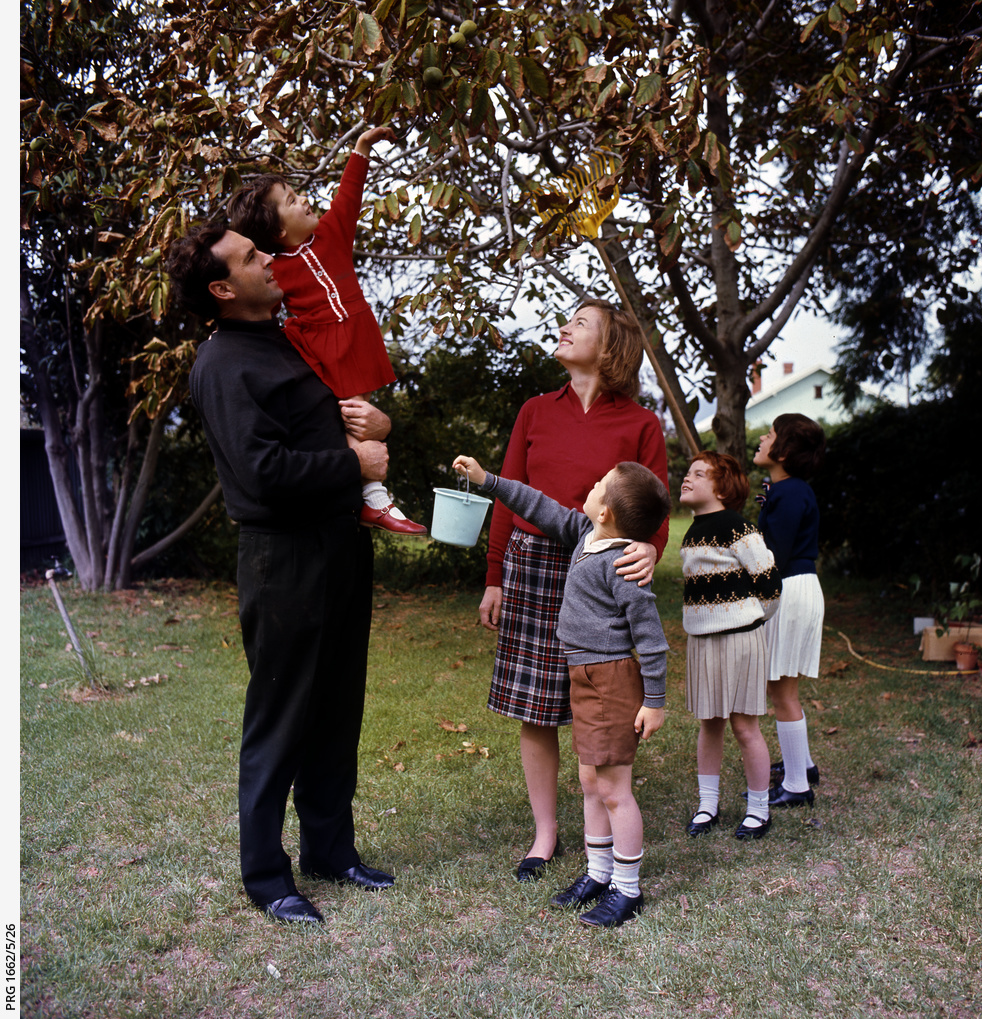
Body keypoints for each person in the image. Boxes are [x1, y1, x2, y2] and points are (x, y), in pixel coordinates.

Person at [165, 222, 397, 925]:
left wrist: (374, 430)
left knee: (336, 707)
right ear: (222, 288)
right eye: (252, 257)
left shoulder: (288, 338)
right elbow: (261, 474)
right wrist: (351, 465)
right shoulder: (223, 363)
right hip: (283, 558)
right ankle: (266, 876)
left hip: (340, 545)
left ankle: (331, 849)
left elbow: (337, 420)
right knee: (281, 715)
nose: (271, 260)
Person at [478, 300, 670, 882]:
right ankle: (545, 835)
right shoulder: (535, 411)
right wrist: (494, 577)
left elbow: (655, 508)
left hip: (603, 572)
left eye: (580, 322)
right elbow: (511, 494)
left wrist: (652, 550)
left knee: (598, 699)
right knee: (534, 708)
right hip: (533, 565)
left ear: (610, 345)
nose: (564, 327)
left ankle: (606, 828)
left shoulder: (641, 424)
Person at [454, 455, 671, 927]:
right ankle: (597, 874)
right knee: (591, 783)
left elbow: (652, 641)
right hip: (583, 677)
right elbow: (538, 504)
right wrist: (487, 481)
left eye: (598, 483)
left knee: (615, 791)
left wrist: (655, 702)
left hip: (610, 681)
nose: (589, 485)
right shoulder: (586, 536)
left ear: (606, 511)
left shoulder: (623, 565)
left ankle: (627, 891)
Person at [226, 126, 426, 537]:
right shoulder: (274, 269)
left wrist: (361, 149)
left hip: (353, 340)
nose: (306, 201)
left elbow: (348, 195)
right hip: (317, 346)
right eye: (294, 201)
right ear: (279, 233)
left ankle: (369, 495)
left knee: (357, 419)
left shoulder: (331, 235)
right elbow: (254, 310)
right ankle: (374, 497)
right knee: (345, 419)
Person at [678, 451, 781, 840]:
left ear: (722, 488)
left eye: (699, 474)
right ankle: (708, 804)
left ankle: (759, 809)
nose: (687, 478)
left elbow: (769, 587)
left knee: (744, 726)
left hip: (740, 640)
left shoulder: (741, 530)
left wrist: (747, 621)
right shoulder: (691, 532)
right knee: (710, 722)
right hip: (701, 644)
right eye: (688, 473)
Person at [753, 414, 827, 807]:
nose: (762, 438)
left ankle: (798, 786)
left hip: (791, 590)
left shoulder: (790, 493)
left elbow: (773, 556)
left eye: (770, 434)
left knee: (782, 690)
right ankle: (805, 764)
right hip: (797, 588)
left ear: (782, 450)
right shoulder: (788, 489)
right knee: (784, 688)